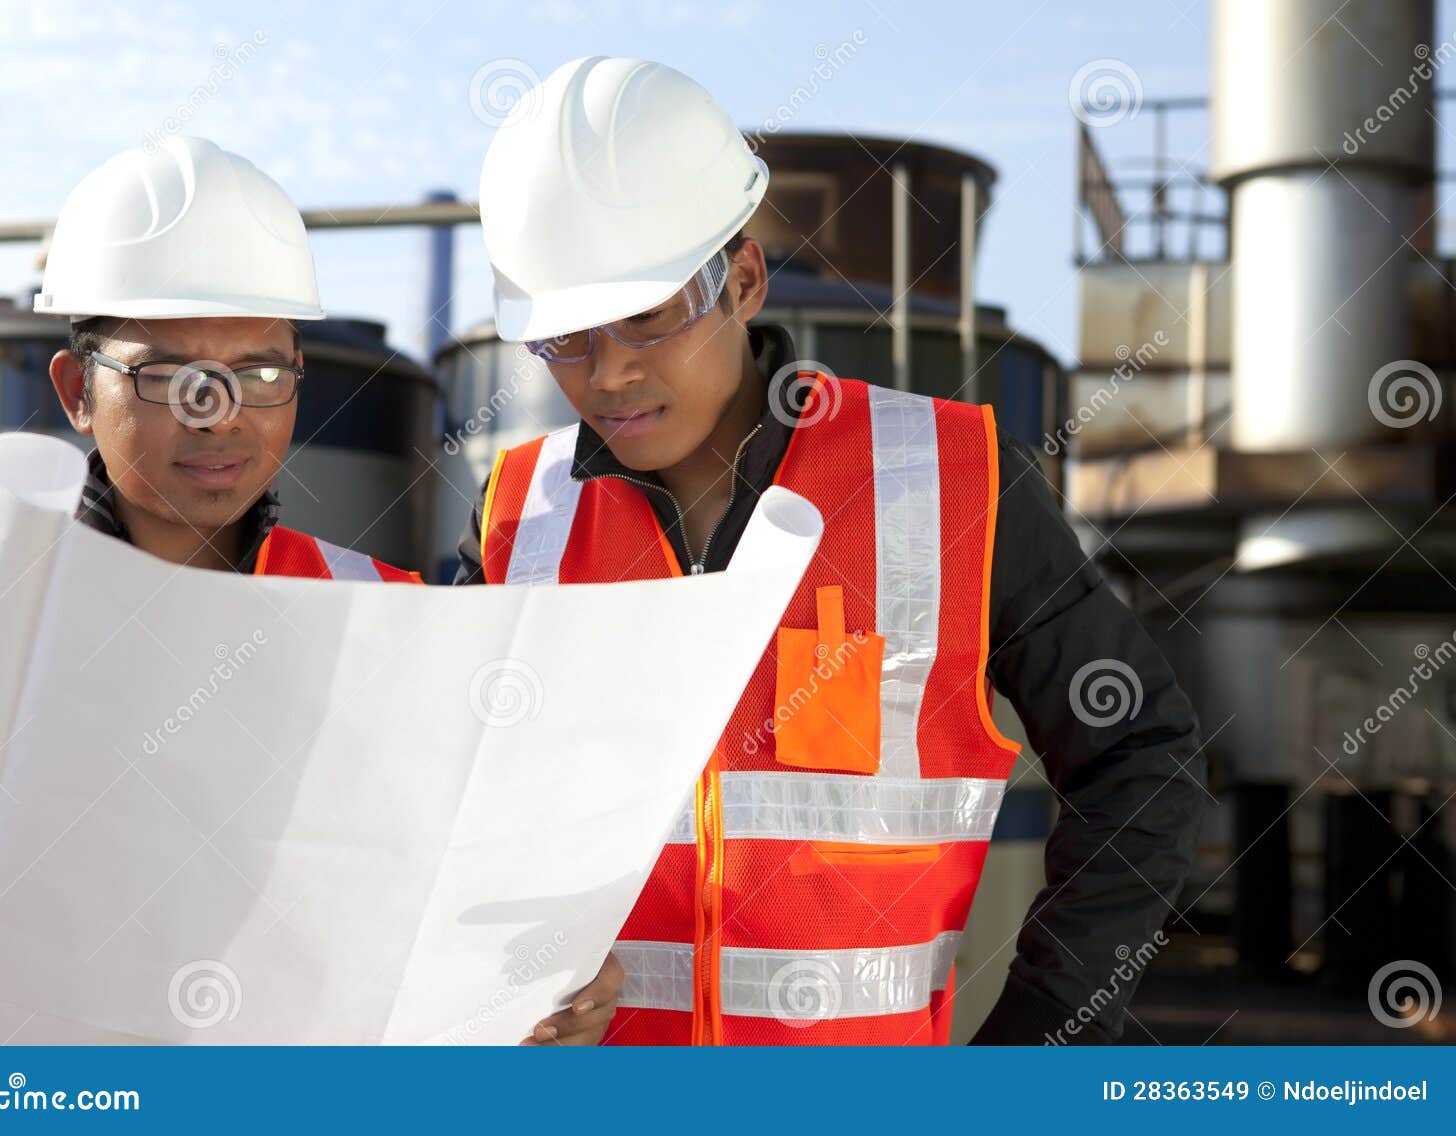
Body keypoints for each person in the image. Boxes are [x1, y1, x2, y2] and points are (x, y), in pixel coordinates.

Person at [456, 57, 1208, 1045]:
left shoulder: (956, 481)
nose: (610, 373)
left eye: (646, 315)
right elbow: (440, 809)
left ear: (743, 280)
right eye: (566, 336)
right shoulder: (519, 520)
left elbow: (1143, 759)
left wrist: (1040, 1044)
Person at [0, 136, 617, 1045]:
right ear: (75, 390)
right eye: (166, 375)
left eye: (258, 373)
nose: (216, 414)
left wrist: (529, 982)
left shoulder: (382, 618)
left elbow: (443, 910)